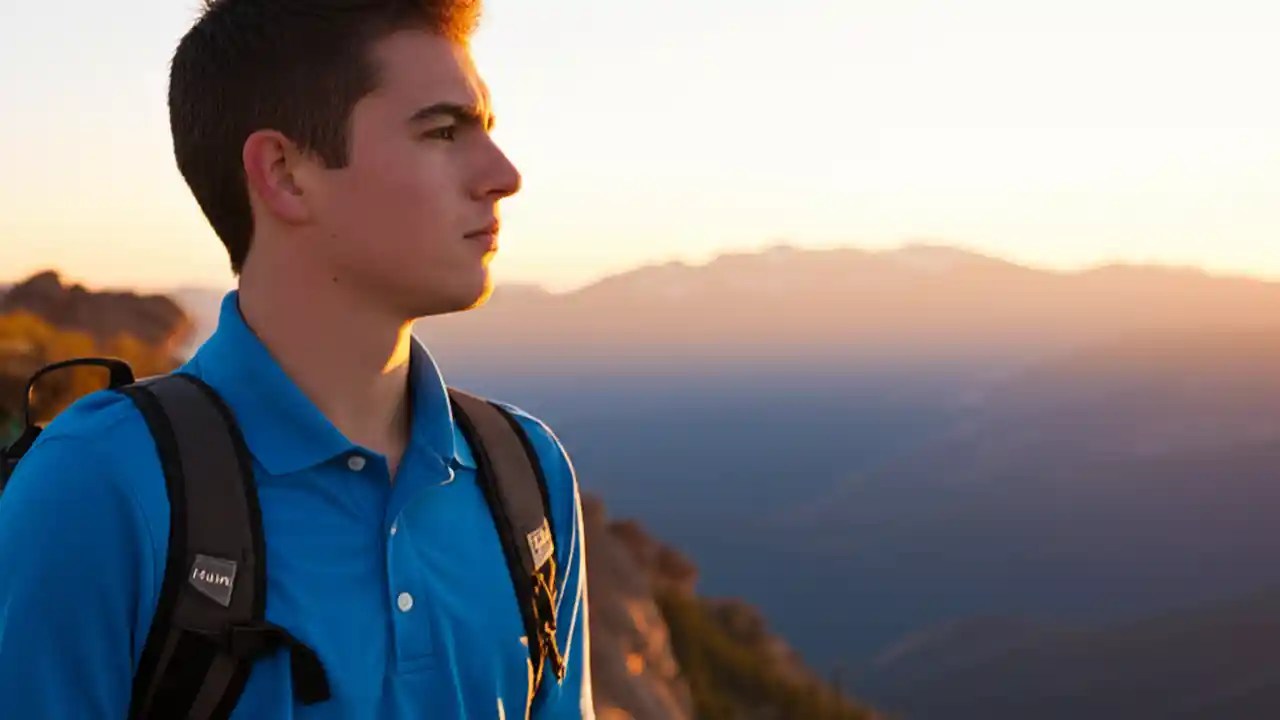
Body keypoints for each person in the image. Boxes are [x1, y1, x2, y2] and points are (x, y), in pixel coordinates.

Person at [0, 0, 593, 717]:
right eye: (442, 131)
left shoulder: (526, 474)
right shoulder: (100, 483)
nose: (503, 175)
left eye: (488, 130)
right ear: (284, 173)